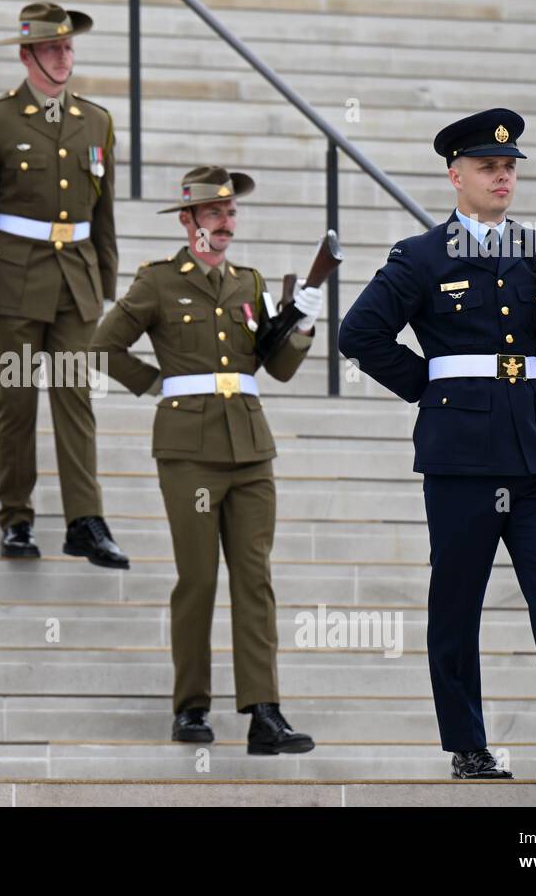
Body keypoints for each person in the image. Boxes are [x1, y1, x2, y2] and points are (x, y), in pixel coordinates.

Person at [338, 108, 536, 778]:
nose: (503, 177)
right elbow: (359, 335)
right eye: (489, 167)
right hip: (462, 457)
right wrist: (431, 389)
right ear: (455, 175)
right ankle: (468, 743)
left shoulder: (535, 252)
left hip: (533, 450)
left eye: (509, 167)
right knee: (458, 598)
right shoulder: (422, 256)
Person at [91, 166, 321, 753]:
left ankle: (264, 713)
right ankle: (190, 707)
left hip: (250, 447)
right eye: (216, 213)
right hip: (189, 450)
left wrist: (305, 323)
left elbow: (281, 367)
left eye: (232, 213)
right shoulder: (159, 281)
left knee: (255, 580)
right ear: (189, 220)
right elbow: (101, 346)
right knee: (197, 580)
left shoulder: (250, 282)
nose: (226, 223)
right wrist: (159, 387)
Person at [0, 2, 128, 567]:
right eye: (52, 48)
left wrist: (105, 277)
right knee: (19, 400)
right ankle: (17, 519)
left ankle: (85, 519)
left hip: (75, 281)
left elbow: (104, 212)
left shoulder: (96, 120)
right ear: (27, 55)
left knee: (76, 398)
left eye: (69, 48)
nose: (63, 57)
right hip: (15, 281)